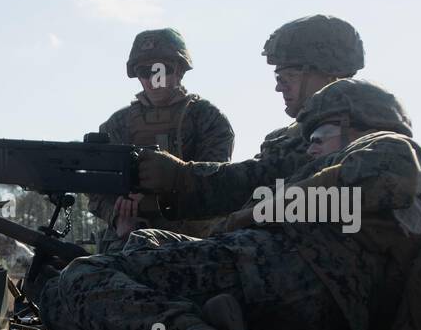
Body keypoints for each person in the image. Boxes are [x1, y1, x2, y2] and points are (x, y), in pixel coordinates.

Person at [30, 79, 421, 330]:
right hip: (296, 292)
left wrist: (255, 213)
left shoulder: (392, 145)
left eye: (320, 132)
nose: (311, 145)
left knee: (77, 281)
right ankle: (223, 328)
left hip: (292, 278)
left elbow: (383, 175)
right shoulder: (383, 173)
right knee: (149, 241)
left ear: (359, 122)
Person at [136, 15, 365, 228]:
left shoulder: (353, 133)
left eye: (289, 76)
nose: (279, 86)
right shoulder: (285, 137)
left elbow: (259, 181)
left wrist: (180, 175)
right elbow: (246, 196)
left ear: (329, 74)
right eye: (279, 77)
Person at [87, 29, 234, 252]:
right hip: (126, 238)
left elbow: (214, 183)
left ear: (180, 70)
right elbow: (97, 188)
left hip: (192, 241)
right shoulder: (117, 125)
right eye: (145, 71)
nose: (154, 79)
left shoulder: (208, 119)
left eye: (162, 69)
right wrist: (118, 218)